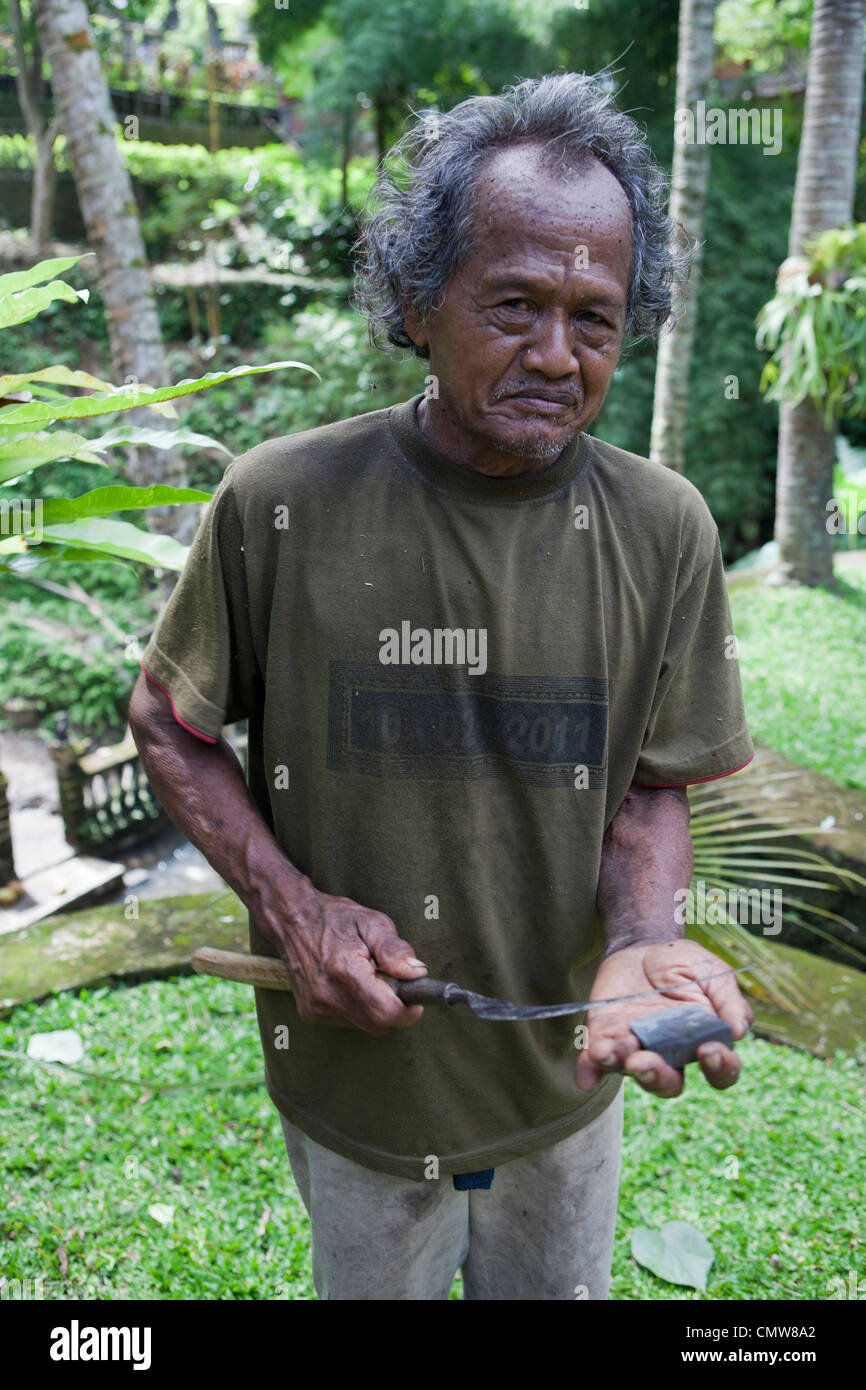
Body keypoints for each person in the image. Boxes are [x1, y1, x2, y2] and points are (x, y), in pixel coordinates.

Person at [129, 71, 755, 1301]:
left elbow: (647, 784)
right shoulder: (281, 500)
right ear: (416, 303)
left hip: (564, 1074)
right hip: (359, 1082)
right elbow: (168, 720)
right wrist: (295, 908)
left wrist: (642, 939)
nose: (555, 355)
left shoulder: (663, 527)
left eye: (595, 317)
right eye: (512, 303)